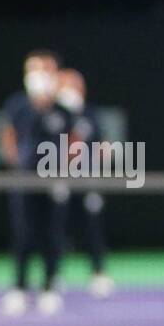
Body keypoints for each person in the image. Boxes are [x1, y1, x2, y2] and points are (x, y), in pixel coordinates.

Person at [0, 49, 74, 315]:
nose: (39, 76)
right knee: (22, 233)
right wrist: (18, 167)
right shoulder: (17, 105)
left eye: (46, 70)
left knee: (52, 234)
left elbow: (74, 144)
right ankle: (19, 287)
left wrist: (65, 171)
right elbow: (8, 137)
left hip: (53, 182)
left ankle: (50, 286)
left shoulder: (65, 111)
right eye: (34, 70)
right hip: (24, 181)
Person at [57, 68, 113, 298]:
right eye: (67, 85)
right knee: (57, 228)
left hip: (87, 180)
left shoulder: (91, 114)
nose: (72, 90)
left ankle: (98, 273)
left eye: (76, 86)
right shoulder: (54, 114)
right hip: (58, 180)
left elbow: (102, 144)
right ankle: (54, 275)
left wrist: (97, 161)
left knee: (92, 227)